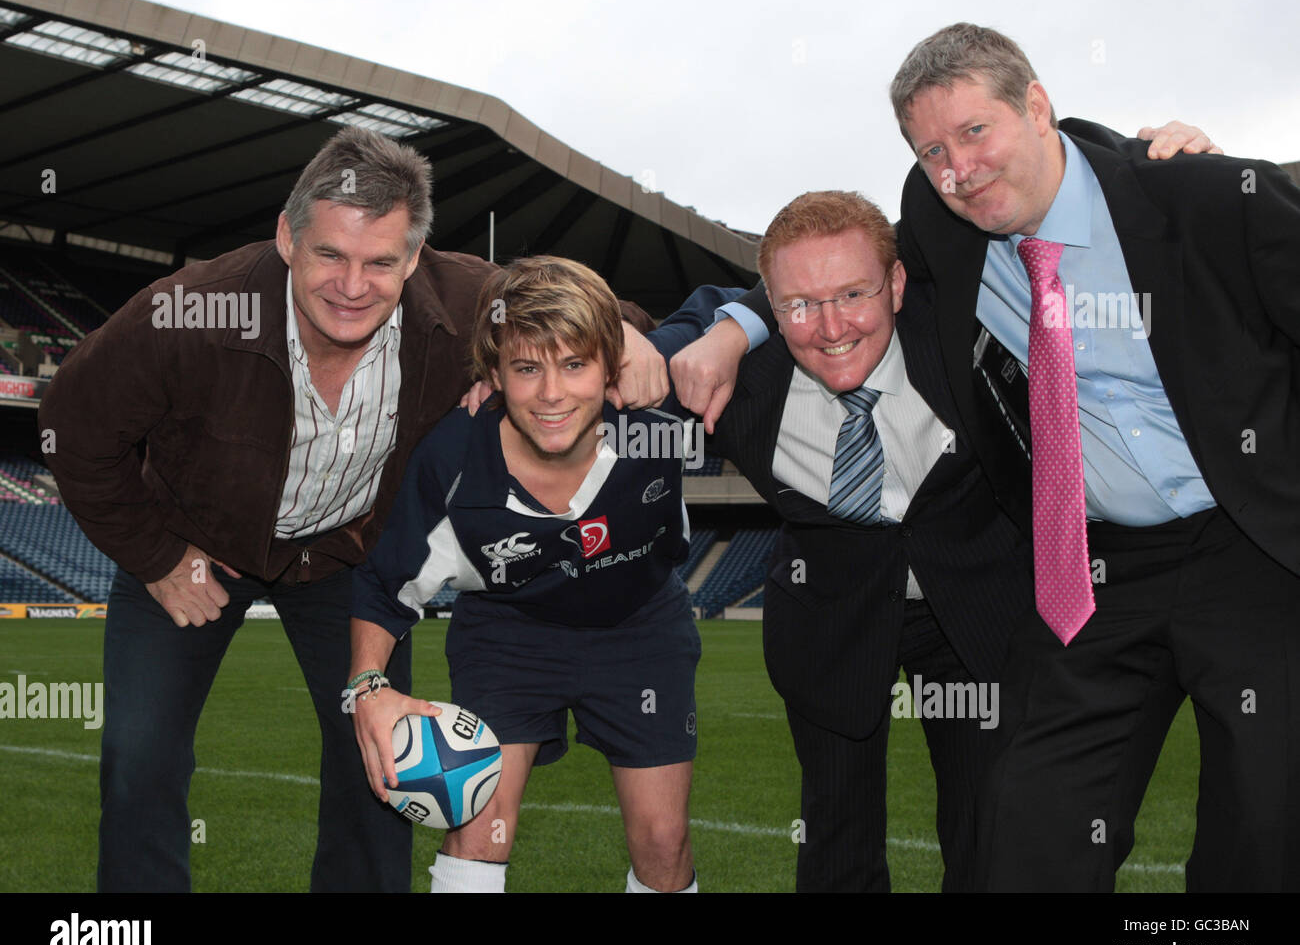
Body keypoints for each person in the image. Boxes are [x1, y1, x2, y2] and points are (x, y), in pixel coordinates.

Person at [38, 127, 659, 892]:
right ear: (286, 239)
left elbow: (579, 306)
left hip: (346, 561)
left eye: (381, 262)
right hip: (195, 546)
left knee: (383, 763)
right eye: (330, 254)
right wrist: (158, 557)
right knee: (138, 756)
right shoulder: (189, 311)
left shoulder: (467, 301)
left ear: (415, 255)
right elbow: (72, 422)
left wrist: (628, 335)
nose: (353, 284)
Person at [890, 23, 1300, 890]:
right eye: (931, 149)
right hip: (1097, 563)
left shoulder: (1208, 199)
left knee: (1266, 831)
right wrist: (726, 328)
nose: (957, 168)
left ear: (1038, 107)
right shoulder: (939, 218)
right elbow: (832, 279)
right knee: (1023, 832)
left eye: (974, 132)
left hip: (1253, 544)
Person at [655, 191, 1031, 891]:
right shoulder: (740, 379)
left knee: (991, 832)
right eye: (798, 304)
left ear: (895, 285)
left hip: (974, 610)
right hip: (832, 616)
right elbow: (621, 357)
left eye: (853, 294)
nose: (829, 328)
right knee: (836, 838)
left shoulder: (956, 327)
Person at [350, 255, 702, 893]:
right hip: (509, 632)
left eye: (575, 364)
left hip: (641, 626)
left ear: (611, 364)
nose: (551, 395)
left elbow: (753, 301)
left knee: (663, 840)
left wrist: (653, 341)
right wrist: (367, 687)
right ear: (493, 373)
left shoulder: (656, 406)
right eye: (526, 369)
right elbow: (383, 587)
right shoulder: (453, 458)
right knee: (479, 828)